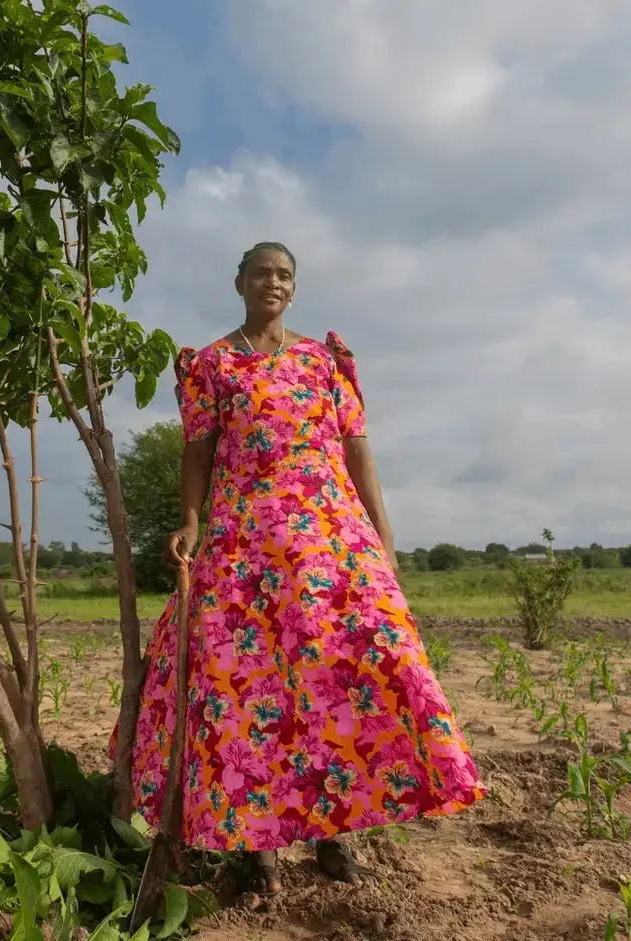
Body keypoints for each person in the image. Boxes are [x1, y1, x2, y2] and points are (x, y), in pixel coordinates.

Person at [114, 241, 486, 903]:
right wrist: (192, 523)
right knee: (246, 688)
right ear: (240, 282)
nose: (273, 283)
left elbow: (356, 447)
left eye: (285, 274)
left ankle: (333, 834)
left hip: (329, 536)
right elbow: (196, 455)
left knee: (343, 672)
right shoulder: (211, 364)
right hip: (244, 541)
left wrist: (382, 531)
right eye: (262, 272)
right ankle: (255, 849)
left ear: (295, 285)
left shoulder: (323, 360)